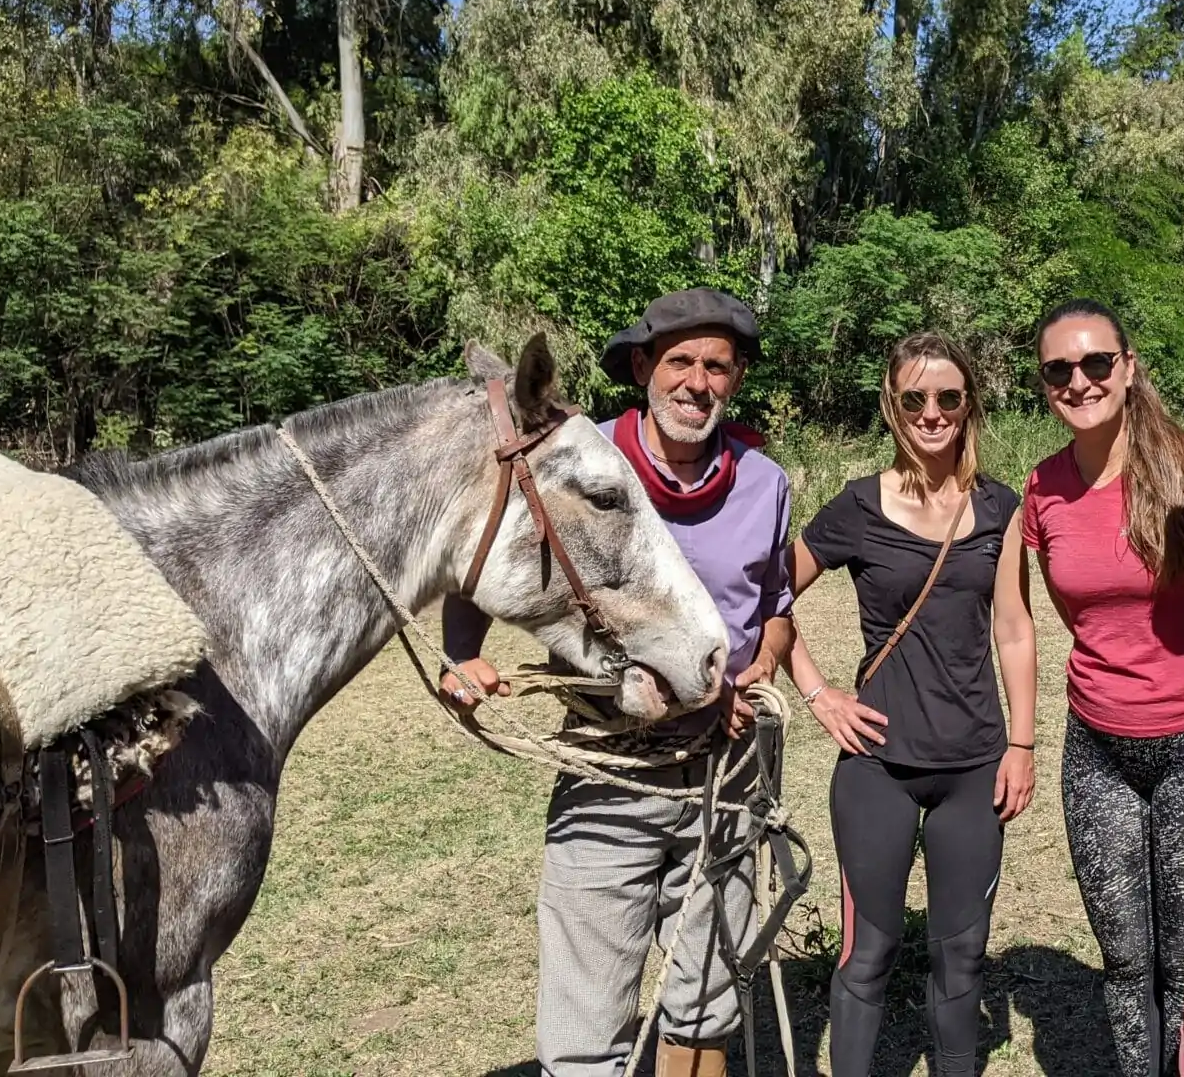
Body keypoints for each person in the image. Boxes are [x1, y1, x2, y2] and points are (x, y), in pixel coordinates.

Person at [440, 288, 794, 1077]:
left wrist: (759, 667)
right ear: (642, 367)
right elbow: (477, 551)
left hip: (727, 773)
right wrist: (460, 654)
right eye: (680, 362)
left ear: (736, 380)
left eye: (718, 367)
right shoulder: (577, 456)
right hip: (607, 771)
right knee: (584, 1026)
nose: (698, 383)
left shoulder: (765, 482)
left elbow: (777, 607)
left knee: (705, 1006)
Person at [782, 332, 1038, 1077]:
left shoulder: (1000, 507)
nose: (933, 412)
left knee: (962, 957)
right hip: (877, 766)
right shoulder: (858, 506)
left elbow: (1014, 627)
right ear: (891, 405)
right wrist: (818, 692)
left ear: (969, 404)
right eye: (915, 398)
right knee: (870, 952)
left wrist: (1022, 744)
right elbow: (765, 596)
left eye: (948, 397)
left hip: (975, 766)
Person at [1020, 299, 1184, 1077]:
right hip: (1097, 748)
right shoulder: (1044, 486)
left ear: (1128, 367)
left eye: (1095, 363)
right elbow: (1074, 613)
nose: (1078, 381)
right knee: (1122, 958)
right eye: (1058, 369)